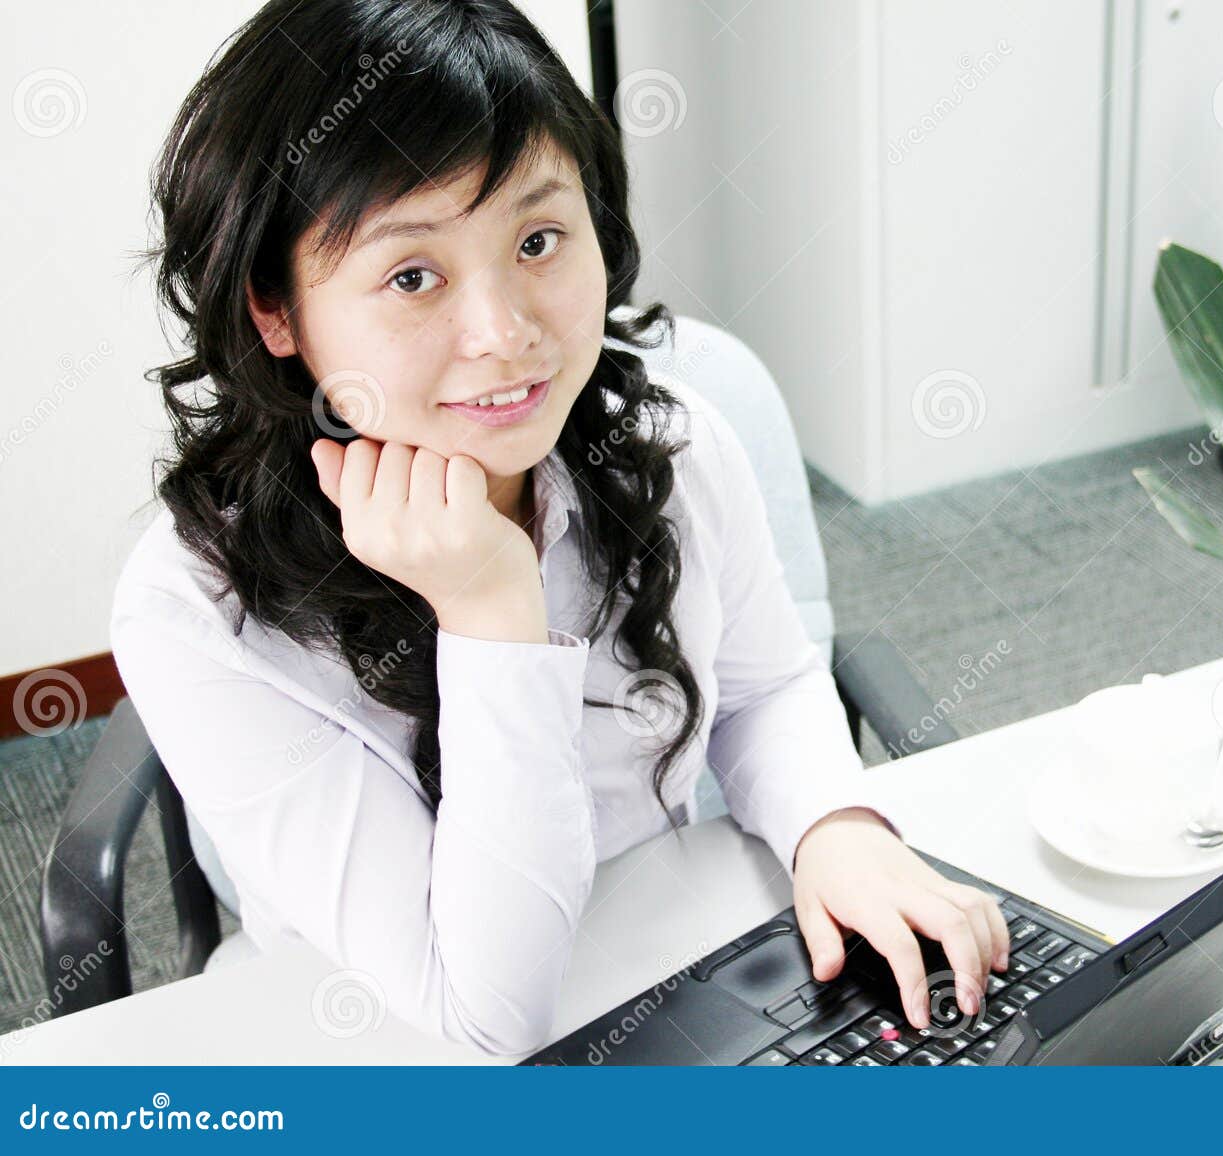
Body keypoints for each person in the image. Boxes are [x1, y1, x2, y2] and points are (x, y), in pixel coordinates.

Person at [112, 0, 1007, 1058]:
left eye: (538, 240)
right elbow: (485, 1015)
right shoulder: (194, 608)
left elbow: (764, 687)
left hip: (683, 980)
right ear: (276, 310)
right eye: (411, 276)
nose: (506, 334)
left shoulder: (665, 442)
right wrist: (491, 615)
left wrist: (835, 826)